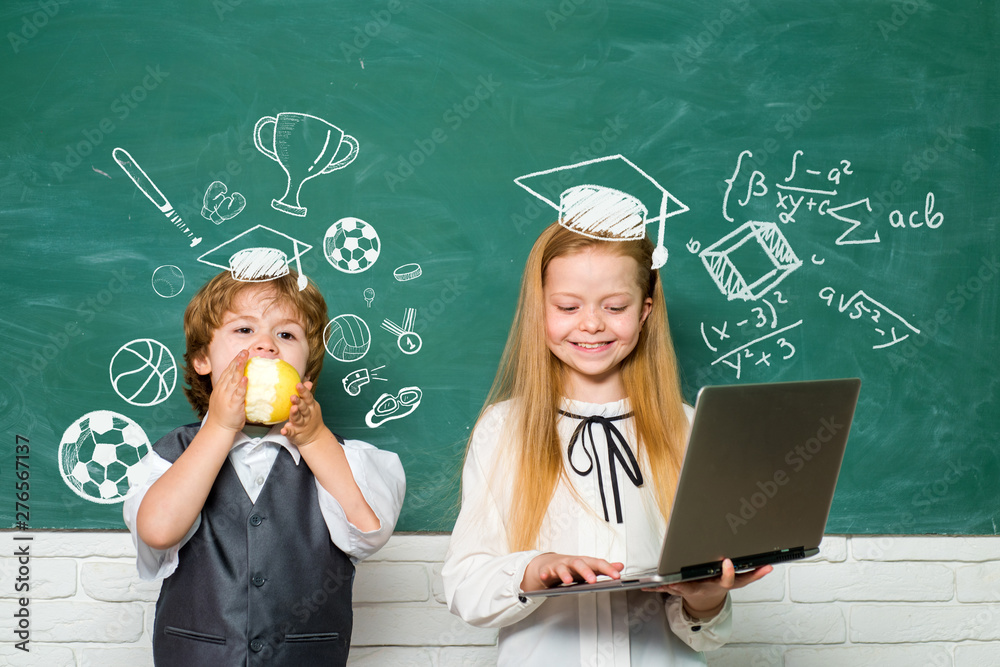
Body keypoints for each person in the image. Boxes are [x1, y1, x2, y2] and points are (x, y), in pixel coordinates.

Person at [441, 222, 770, 666]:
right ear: (539, 309)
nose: (592, 323)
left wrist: (706, 599)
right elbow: (465, 587)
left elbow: (704, 633)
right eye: (568, 306)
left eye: (615, 306)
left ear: (645, 311)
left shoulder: (689, 429)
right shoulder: (504, 430)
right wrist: (535, 569)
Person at [123, 270, 405, 666]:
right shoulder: (175, 454)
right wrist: (220, 427)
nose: (266, 345)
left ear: (306, 369)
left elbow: (369, 530)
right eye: (243, 330)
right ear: (203, 359)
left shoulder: (341, 457)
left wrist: (314, 439)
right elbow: (157, 530)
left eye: (286, 335)